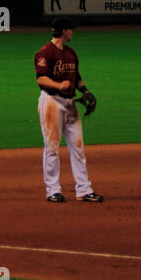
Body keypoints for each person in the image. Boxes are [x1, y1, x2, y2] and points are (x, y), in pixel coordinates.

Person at [35, 18, 103, 203]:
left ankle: (84, 190)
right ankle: (52, 190)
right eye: (70, 30)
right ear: (63, 31)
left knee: (78, 148)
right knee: (52, 148)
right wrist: (58, 84)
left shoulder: (71, 53)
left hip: (70, 104)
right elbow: (41, 79)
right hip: (51, 103)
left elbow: (77, 77)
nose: (72, 32)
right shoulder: (45, 52)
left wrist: (86, 91)